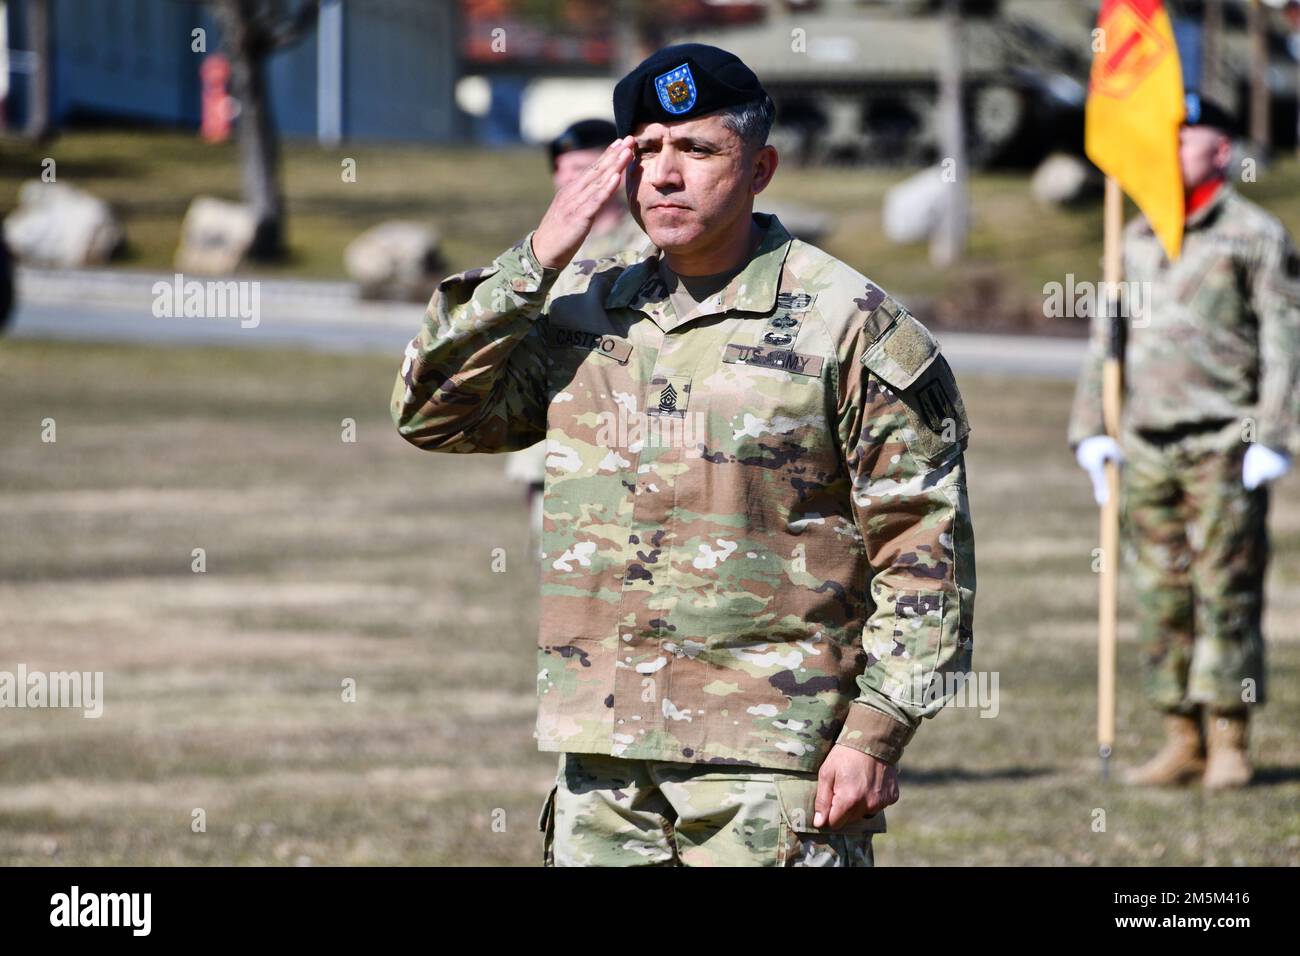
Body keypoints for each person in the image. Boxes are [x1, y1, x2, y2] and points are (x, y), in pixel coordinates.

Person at [393, 43, 976, 866]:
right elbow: (429, 414)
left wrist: (877, 733)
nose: (665, 174)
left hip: (773, 764)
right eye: (646, 150)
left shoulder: (850, 326)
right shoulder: (584, 312)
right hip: (605, 760)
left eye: (698, 149)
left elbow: (925, 553)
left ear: (760, 167)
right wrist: (535, 258)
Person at [1069, 92, 1300, 789]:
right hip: (1145, 444)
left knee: (1224, 591)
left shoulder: (1254, 233)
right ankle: (1181, 736)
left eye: (1186, 134)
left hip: (1227, 442)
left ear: (1221, 150)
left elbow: (1285, 342)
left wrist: (1276, 433)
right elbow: (1101, 346)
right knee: (1159, 593)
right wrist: (1091, 432)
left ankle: (1231, 735)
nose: (1168, 145)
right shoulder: (1134, 235)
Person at [504, 119, 649, 550]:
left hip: (622, 429)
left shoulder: (647, 244)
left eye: (587, 167)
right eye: (566, 169)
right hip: (549, 430)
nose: (574, 179)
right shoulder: (540, 246)